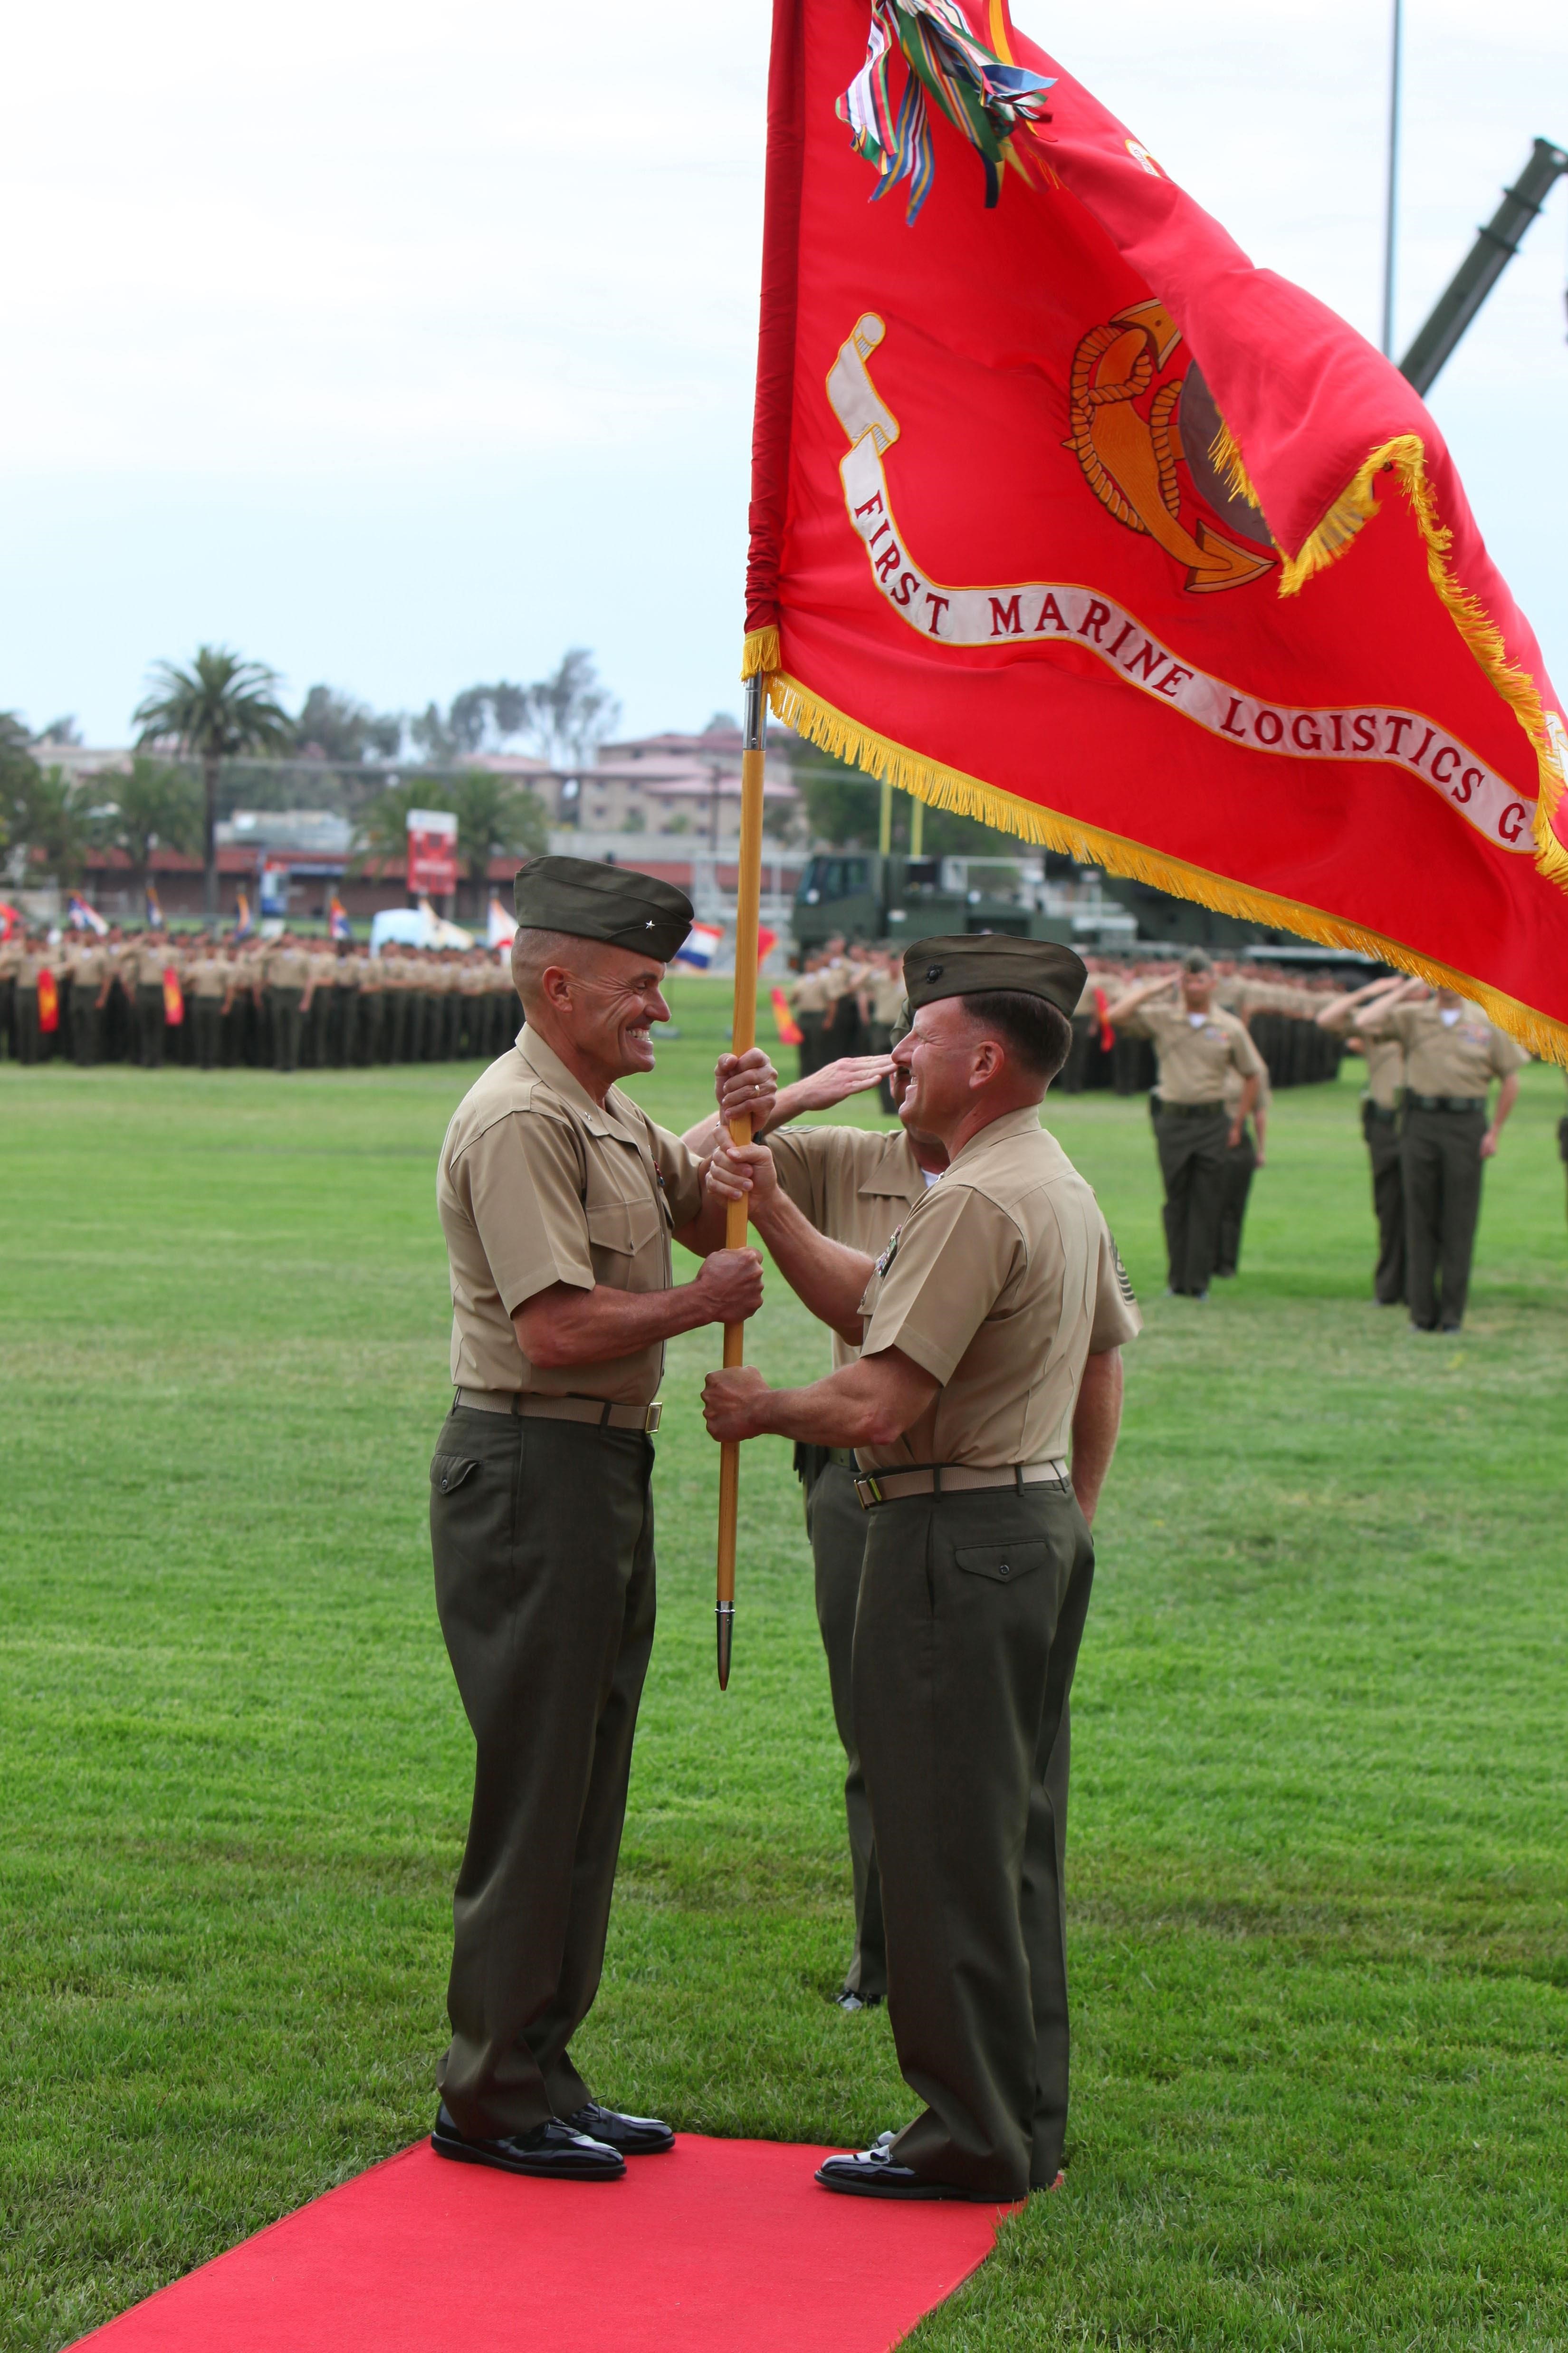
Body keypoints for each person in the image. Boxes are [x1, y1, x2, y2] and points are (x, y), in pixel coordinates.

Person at [702, 934, 1140, 2204]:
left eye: (924, 1036)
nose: (900, 1052)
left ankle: (966, 2131)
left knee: (943, 1843)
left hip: (952, 1541)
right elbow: (880, 1292)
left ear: (985, 1060)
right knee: (1009, 1843)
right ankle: (1022, 2116)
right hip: (1022, 1521)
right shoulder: (1042, 1175)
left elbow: (883, 1399)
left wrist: (763, 1405)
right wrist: (777, 1201)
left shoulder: (973, 1197)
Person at [427, 854, 772, 2184]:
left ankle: (541, 2062)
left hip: (595, 1474)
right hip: (532, 1470)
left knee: (585, 1780)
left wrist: (753, 1114)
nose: (660, 1013)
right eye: (639, 988)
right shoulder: (522, 1118)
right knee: (536, 1790)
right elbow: (557, 1325)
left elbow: (698, 1203)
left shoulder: (605, 1114)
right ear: (557, 982)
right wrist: (699, 1302)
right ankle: (490, 2087)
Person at [685, 1040, 907, 2013]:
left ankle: (977, 1962)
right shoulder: (851, 1157)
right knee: (873, 1727)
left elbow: (1103, 1355)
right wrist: (787, 1102)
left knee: (988, 1748)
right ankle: (883, 1955)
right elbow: (683, 1189)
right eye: (901, 1047)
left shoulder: (1030, 1181)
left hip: (983, 1486)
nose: (905, 1065)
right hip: (858, 1480)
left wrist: (1080, 1510)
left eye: (929, 1042)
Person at [1357, 984, 1524, 1332]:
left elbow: (1511, 1078)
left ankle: (1451, 1315)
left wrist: (1495, 1130)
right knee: (1420, 1219)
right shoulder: (1413, 1017)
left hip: (1466, 1123)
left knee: (1459, 1222)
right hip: (1421, 1122)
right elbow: (1365, 1020)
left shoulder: (1487, 1021)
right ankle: (1422, 1314)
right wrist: (1404, 988)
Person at [1107, 952, 1264, 1298]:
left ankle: (1198, 1282)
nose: (1194, 986)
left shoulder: (1229, 1026)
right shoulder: (1165, 1019)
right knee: (1176, 1200)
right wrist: (1158, 987)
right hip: (1173, 1121)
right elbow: (1116, 1015)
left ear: (1213, 983)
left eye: (1201, 980)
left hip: (1212, 1121)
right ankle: (1177, 1280)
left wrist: (1238, 1123)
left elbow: (1253, 1074)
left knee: (1207, 1201)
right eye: (1188, 980)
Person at [1315, 973, 1421, 1305]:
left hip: (1426, 1124)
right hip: (1387, 1125)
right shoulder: (1379, 1024)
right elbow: (1328, 1020)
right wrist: (1375, 991)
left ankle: (1421, 1286)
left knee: (1426, 1209)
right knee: (1389, 1209)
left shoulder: (1433, 1020)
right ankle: (1390, 1288)